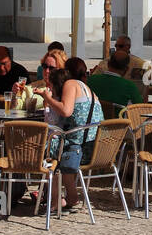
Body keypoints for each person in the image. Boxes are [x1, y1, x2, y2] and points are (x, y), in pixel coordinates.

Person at [40, 57, 104, 212]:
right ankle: (62, 195)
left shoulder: (71, 84)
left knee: (45, 148)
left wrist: (48, 98)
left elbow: (66, 110)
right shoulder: (86, 88)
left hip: (79, 148)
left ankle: (55, 198)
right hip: (96, 147)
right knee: (54, 145)